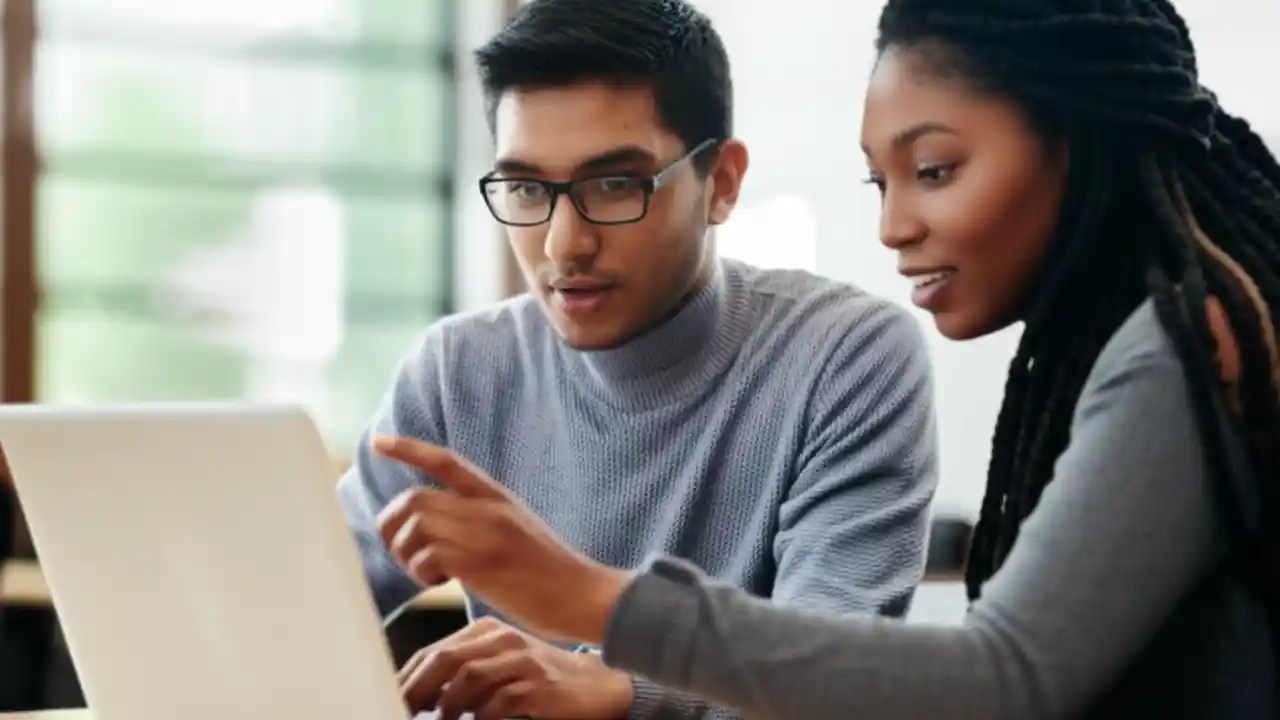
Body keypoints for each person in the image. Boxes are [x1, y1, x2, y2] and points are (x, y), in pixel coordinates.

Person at [370, 0, 1280, 718]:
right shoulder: (1117, 346)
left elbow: (1003, 678)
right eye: (880, 183)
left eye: (935, 171)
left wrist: (595, 608)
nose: (892, 228)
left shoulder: (1196, 346)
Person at [337, 0, 939, 717]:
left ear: (721, 183)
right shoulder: (459, 372)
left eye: (614, 185)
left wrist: (626, 695)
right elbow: (303, 605)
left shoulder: (845, 358)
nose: (564, 245)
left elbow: (837, 684)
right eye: (528, 188)